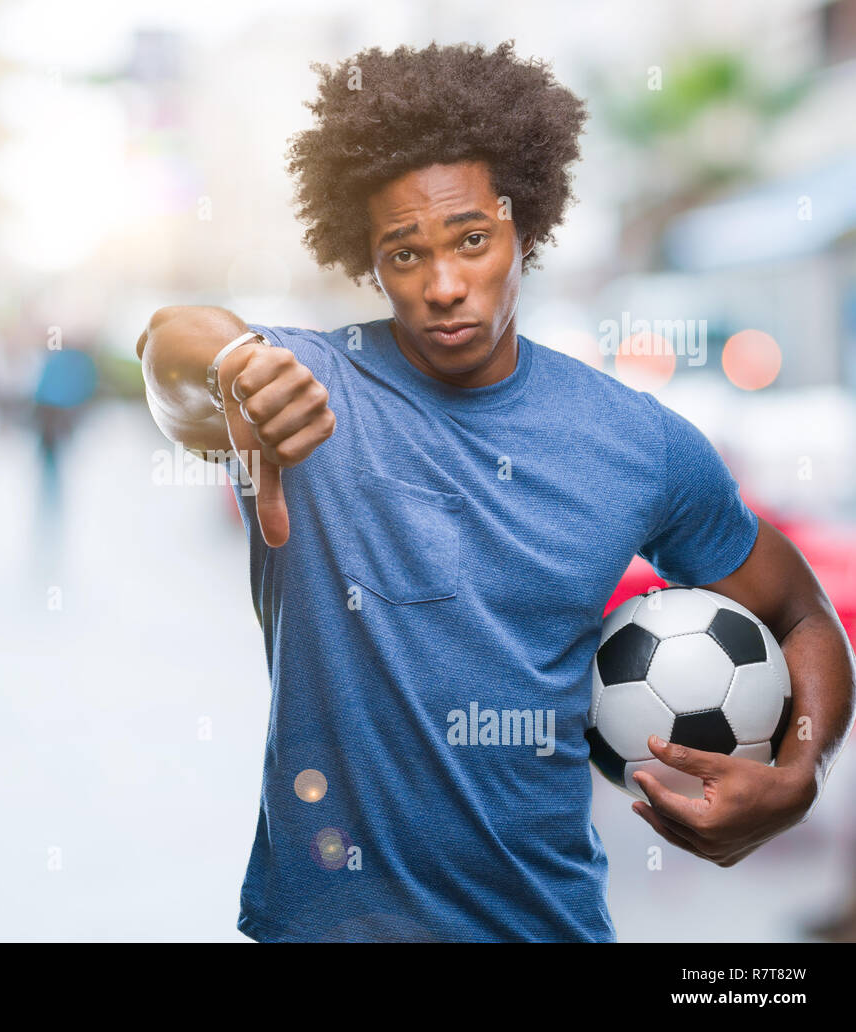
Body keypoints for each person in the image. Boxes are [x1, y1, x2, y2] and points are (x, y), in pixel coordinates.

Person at [136, 41, 855, 942]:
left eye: (472, 240)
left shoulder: (638, 442)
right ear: (369, 259)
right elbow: (172, 349)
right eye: (405, 254)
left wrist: (802, 773)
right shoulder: (305, 385)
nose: (443, 286)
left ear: (527, 227)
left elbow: (799, 614)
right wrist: (232, 368)